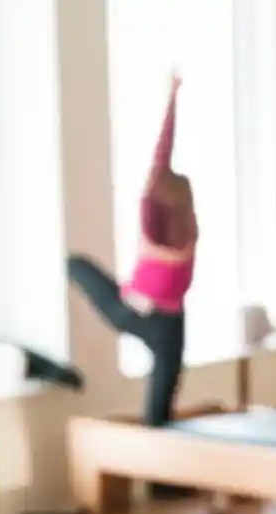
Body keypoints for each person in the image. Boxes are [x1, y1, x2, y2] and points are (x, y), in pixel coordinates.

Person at [66, 74, 195, 428]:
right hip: (168, 324)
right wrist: (172, 100)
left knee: (74, 265)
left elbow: (160, 156)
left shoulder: (154, 224)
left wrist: (172, 99)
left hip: (131, 311)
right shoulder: (188, 234)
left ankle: (160, 470)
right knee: (159, 411)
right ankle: (162, 481)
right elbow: (163, 155)